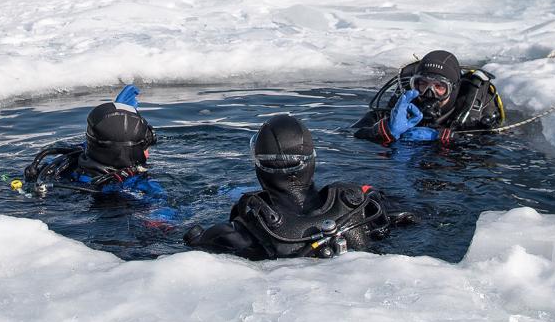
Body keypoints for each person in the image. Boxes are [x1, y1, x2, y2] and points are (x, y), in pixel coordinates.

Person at [183, 114, 409, 260]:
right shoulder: (364, 205)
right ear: (312, 160)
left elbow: (191, 246)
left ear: (258, 165)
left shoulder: (236, 233)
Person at [21, 85, 165, 200]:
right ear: (126, 152)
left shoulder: (68, 162)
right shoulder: (137, 184)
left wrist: (119, 112)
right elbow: (161, 211)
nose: (148, 151)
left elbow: (106, 139)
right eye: (144, 145)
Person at [353, 50, 505, 145]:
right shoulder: (396, 111)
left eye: (439, 87)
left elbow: (487, 151)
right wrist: (384, 131)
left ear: (453, 88)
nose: (429, 92)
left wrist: (444, 138)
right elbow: (349, 137)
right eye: (422, 83)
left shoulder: (471, 119)